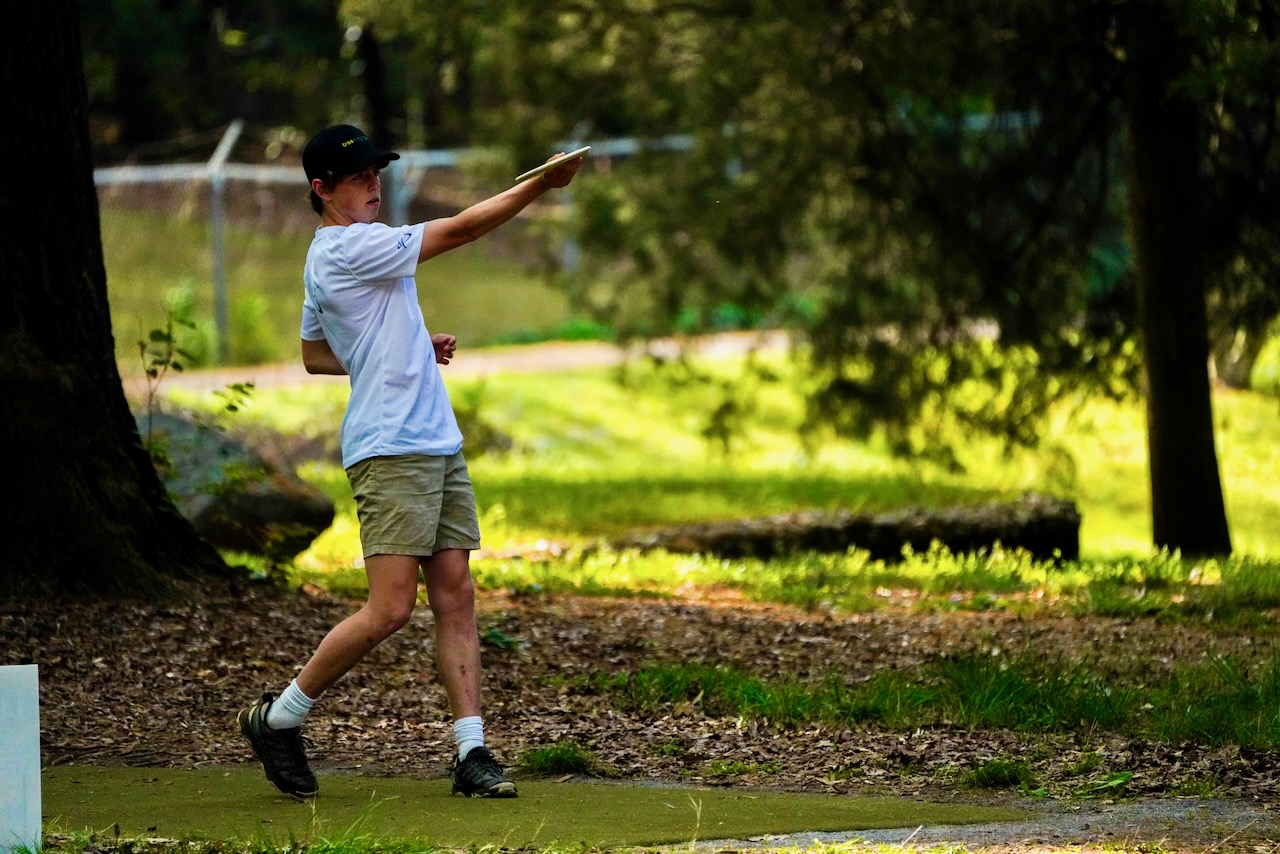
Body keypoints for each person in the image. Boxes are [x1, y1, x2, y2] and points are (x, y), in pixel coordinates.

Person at [237, 124, 583, 800]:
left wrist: (403, 346)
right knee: (390, 609)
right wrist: (539, 184)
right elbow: (458, 231)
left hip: (437, 439)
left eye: (376, 173)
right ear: (322, 190)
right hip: (389, 447)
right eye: (359, 178)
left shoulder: (345, 254)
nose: (374, 185)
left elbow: (316, 354)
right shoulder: (348, 247)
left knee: (456, 593)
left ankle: (471, 753)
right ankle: (279, 718)